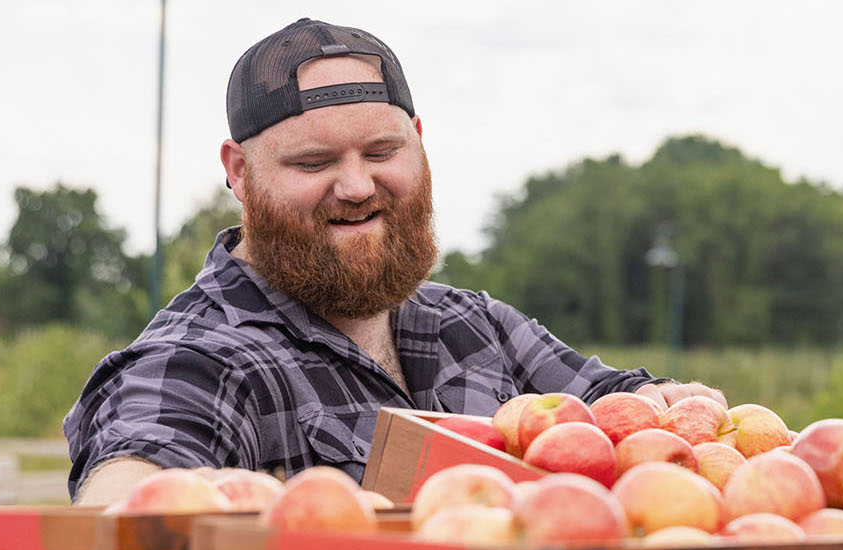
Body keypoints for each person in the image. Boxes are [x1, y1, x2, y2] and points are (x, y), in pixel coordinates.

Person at [64, 18, 723, 505]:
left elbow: (615, 407)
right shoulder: (203, 356)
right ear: (238, 171)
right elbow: (124, 503)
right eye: (314, 163)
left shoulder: (471, 325)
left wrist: (674, 409)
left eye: (381, 152)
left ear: (418, 143)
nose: (355, 186)